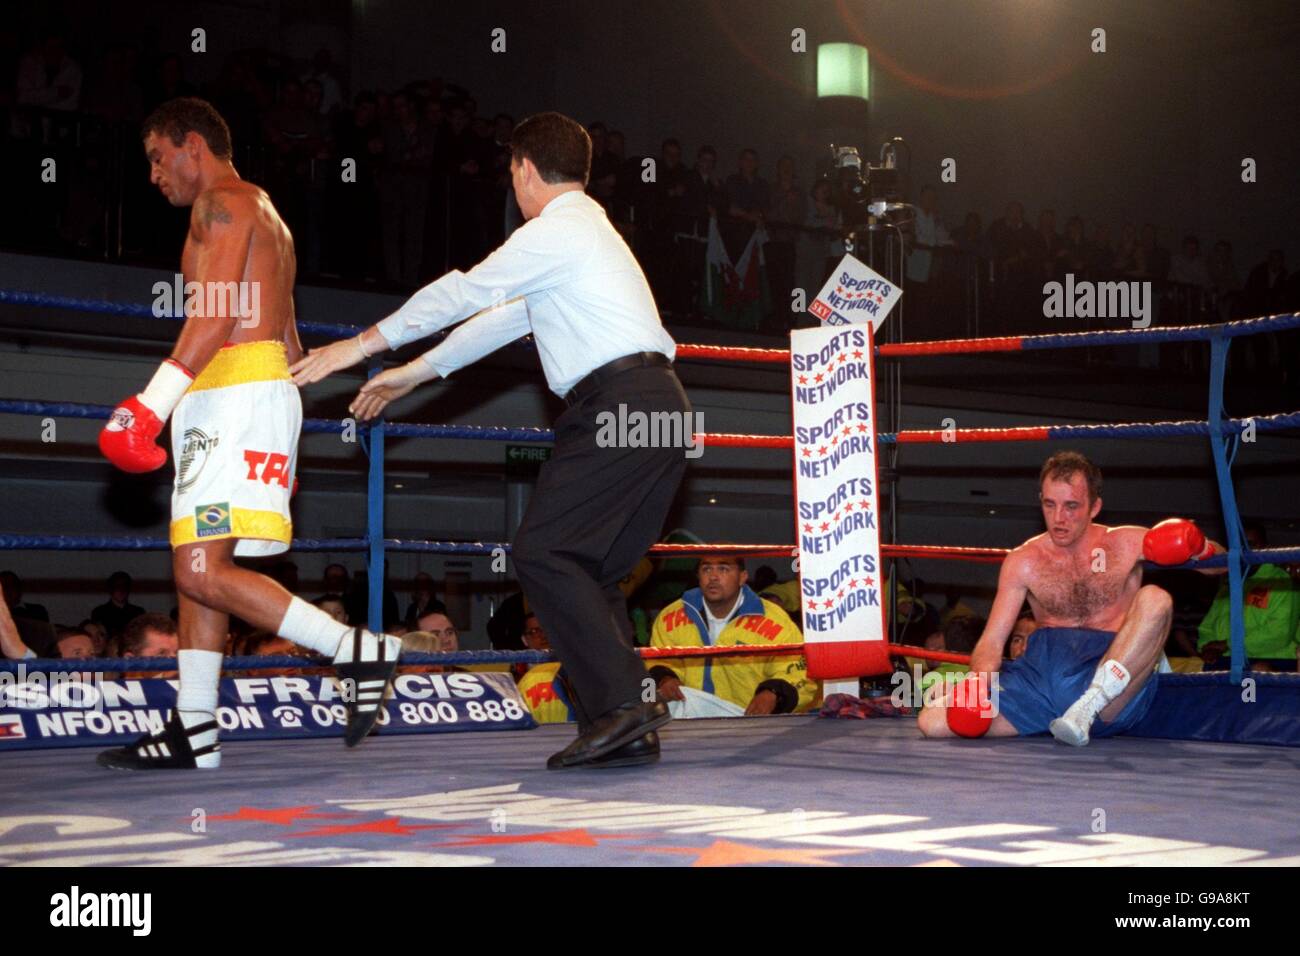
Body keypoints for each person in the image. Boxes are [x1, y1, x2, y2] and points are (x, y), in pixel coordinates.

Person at [291, 111, 688, 770]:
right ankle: (624, 722)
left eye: (512, 172)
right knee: (596, 571)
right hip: (662, 410)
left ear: (522, 169)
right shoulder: (587, 235)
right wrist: (409, 375)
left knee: (542, 553)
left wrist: (357, 346)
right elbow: (495, 323)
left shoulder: (558, 229)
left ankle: (622, 706)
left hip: (617, 405)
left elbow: (464, 293)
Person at [94, 98, 401, 770]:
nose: (153, 175)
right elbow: (285, 330)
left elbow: (215, 313)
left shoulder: (223, 202)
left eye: (157, 157)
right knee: (198, 565)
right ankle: (196, 727)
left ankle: (355, 650)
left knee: (200, 567)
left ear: (192, 145)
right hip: (241, 391)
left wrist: (150, 405)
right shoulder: (265, 212)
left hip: (235, 389)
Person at [918, 451, 1225, 746]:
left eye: (1071, 506)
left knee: (1156, 599)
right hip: (1040, 680)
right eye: (1049, 505)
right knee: (933, 723)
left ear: (1094, 507)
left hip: (1108, 682)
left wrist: (1198, 546)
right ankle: (1053, 714)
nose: (1058, 518)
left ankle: (1086, 707)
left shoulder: (1125, 543)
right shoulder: (1024, 560)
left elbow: (1223, 566)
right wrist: (977, 682)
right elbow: (993, 641)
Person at [649, 555, 816, 716]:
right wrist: (664, 678)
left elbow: (799, 676)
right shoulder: (669, 617)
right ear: (698, 576)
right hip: (687, 723)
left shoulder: (775, 621)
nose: (713, 577)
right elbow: (650, 664)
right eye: (706, 569)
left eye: (723, 568)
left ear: (742, 577)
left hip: (750, 725)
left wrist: (773, 694)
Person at [1197, 523, 1299, 672]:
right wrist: (1206, 647)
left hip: (1272, 660)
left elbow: (1279, 634)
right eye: (1239, 545)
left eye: (1250, 544)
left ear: (1265, 548)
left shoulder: (1283, 581)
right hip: (1225, 658)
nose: (1244, 550)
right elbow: (1209, 623)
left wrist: (1228, 644)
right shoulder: (1230, 583)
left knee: (1258, 673)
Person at [91, 571, 147, 640]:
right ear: (111, 589)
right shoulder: (99, 612)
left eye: (124, 587)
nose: (121, 590)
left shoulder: (138, 613)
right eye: (117, 587)